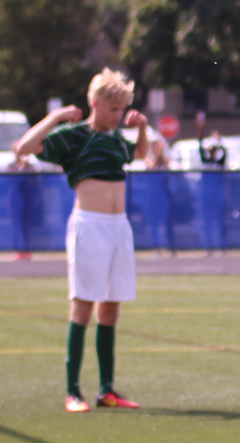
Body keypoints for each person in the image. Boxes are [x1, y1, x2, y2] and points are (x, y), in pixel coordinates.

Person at [13, 68, 148, 412]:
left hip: (119, 228)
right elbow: (25, 146)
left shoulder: (118, 139)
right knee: (84, 304)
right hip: (90, 226)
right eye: (111, 108)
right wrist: (56, 116)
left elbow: (140, 156)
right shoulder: (74, 135)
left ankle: (107, 391)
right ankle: (73, 392)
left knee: (112, 307)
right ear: (94, 102)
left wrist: (143, 128)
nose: (117, 115)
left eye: (121, 109)